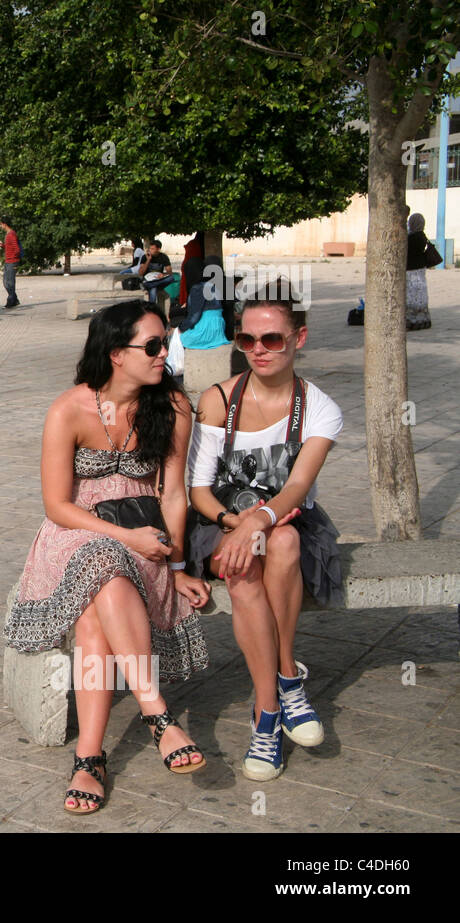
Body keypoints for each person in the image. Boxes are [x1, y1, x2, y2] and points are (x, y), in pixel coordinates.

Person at [6, 300, 211, 815]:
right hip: (75, 533)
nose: (166, 353)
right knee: (102, 558)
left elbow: (172, 494)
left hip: (144, 535)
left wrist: (178, 563)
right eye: (153, 345)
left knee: (98, 612)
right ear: (117, 353)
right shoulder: (69, 409)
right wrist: (127, 540)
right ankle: (157, 713)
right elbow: (56, 505)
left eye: (167, 341)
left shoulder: (173, 407)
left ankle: (89, 758)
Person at [187, 284, 343, 782]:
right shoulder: (216, 401)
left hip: (287, 520)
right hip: (219, 523)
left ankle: (267, 710)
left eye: (272, 339)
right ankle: (285, 687)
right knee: (246, 565)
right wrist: (232, 523)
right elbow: (198, 491)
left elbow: (298, 485)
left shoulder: (319, 408)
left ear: (299, 338)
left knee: (285, 539)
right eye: (247, 339)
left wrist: (258, 519)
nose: (258, 349)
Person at [406, 213, 442, 330]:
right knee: (420, 294)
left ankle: (413, 321)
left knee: (411, 295)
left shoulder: (410, 238)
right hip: (420, 269)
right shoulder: (422, 236)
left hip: (410, 269)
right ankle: (424, 319)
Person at [139, 239, 175, 304]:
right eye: (150, 248)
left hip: (158, 280)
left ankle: (149, 285)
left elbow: (170, 273)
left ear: (158, 249)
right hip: (147, 280)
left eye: (152, 249)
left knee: (171, 278)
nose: (150, 250)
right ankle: (152, 309)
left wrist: (163, 275)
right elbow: (140, 273)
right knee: (153, 289)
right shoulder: (145, 257)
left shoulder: (163, 257)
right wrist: (148, 260)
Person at [0, 218, 21, 308]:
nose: (1, 226)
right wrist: (3, 246)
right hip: (8, 261)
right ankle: (14, 299)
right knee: (6, 282)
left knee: (10, 283)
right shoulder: (8, 234)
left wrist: (14, 258)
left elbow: (17, 249)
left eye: (1, 224)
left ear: (5, 224)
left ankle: (11, 301)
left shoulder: (11, 234)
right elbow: (10, 247)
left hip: (12, 262)